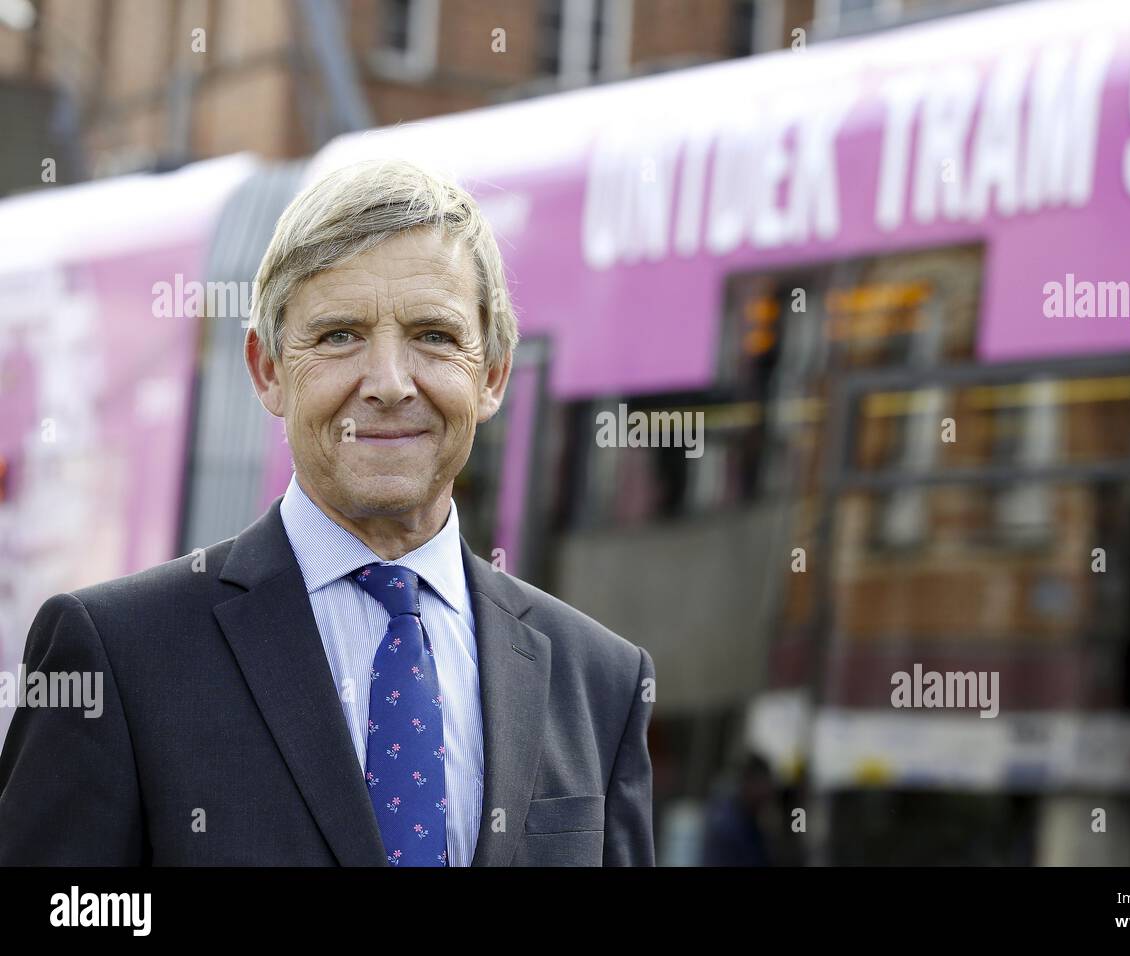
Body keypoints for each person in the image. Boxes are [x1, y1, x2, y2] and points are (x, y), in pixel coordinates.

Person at [0, 159, 655, 867]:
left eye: (433, 336)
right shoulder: (116, 655)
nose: (389, 384)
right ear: (268, 371)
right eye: (340, 335)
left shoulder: (600, 683)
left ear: (492, 375)